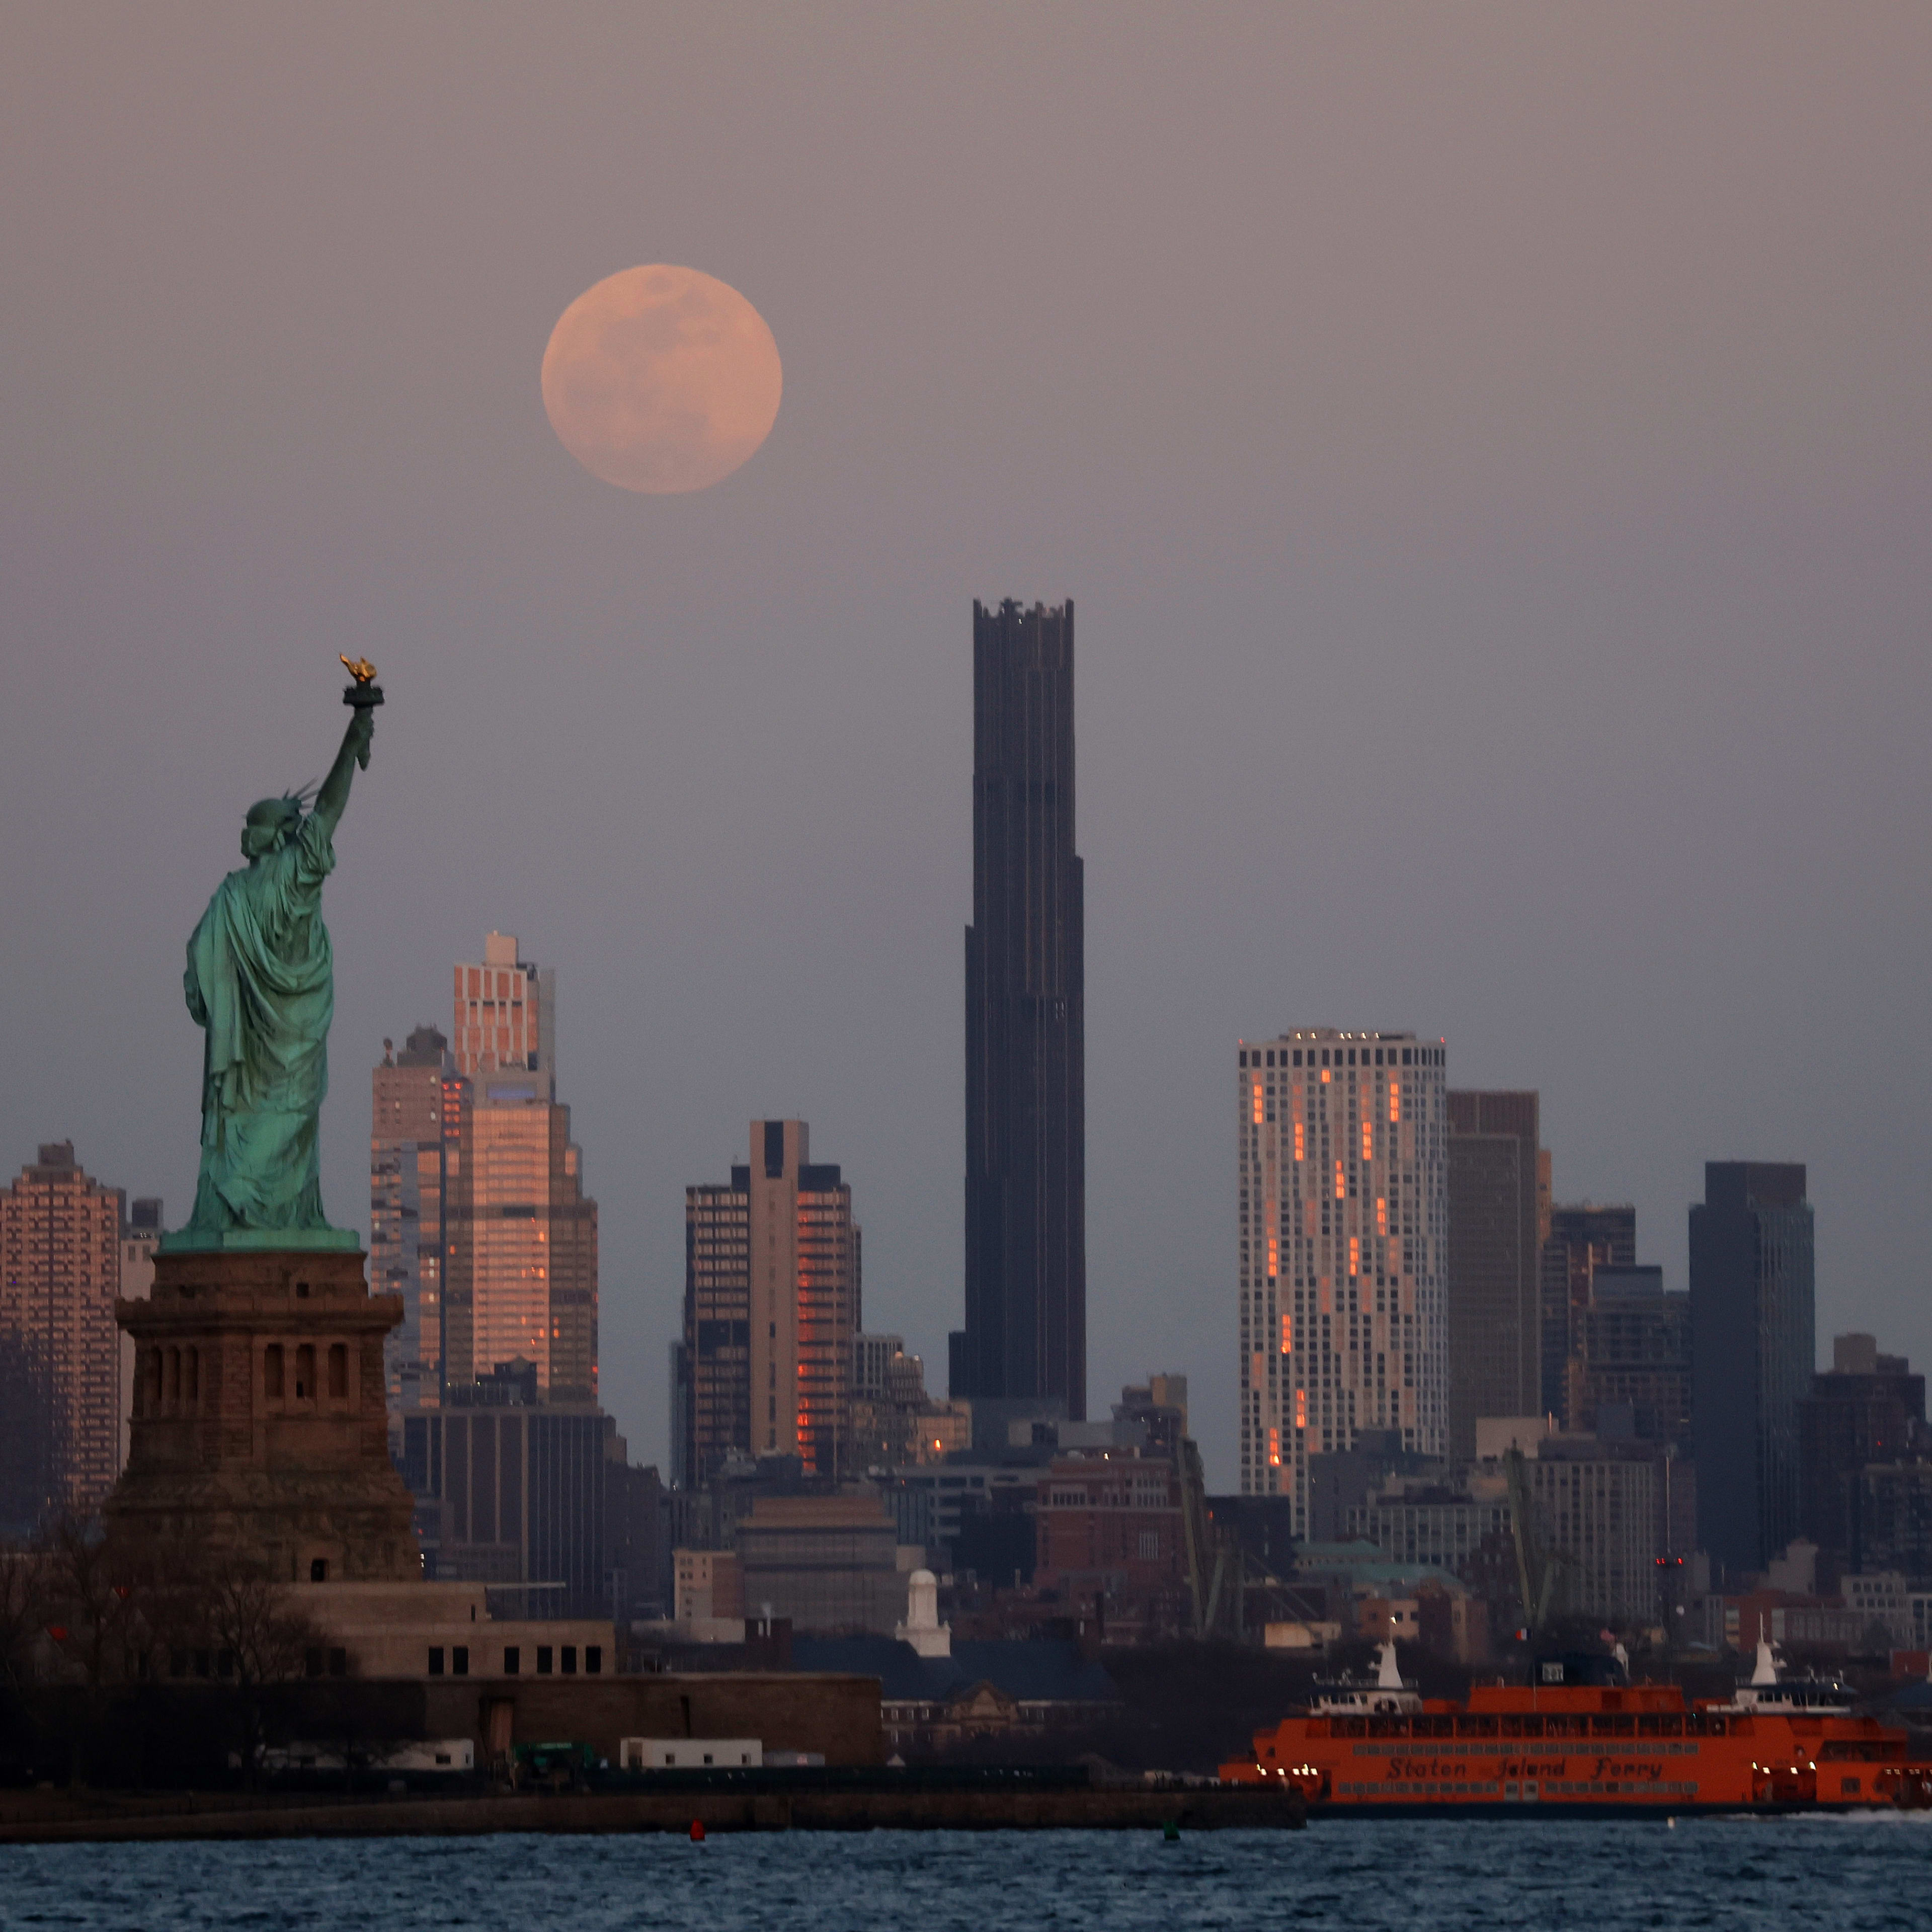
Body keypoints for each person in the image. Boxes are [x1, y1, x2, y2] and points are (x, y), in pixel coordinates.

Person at [181, 702, 375, 1236]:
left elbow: (196, 979)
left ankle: (235, 1207)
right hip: (297, 1034)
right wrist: (353, 739)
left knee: (250, 1124)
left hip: (246, 1051)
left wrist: (222, 1008)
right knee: (293, 1124)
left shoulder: (230, 897)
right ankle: (281, 1216)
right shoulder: (295, 875)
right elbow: (331, 809)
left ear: (259, 836)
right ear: (285, 836)